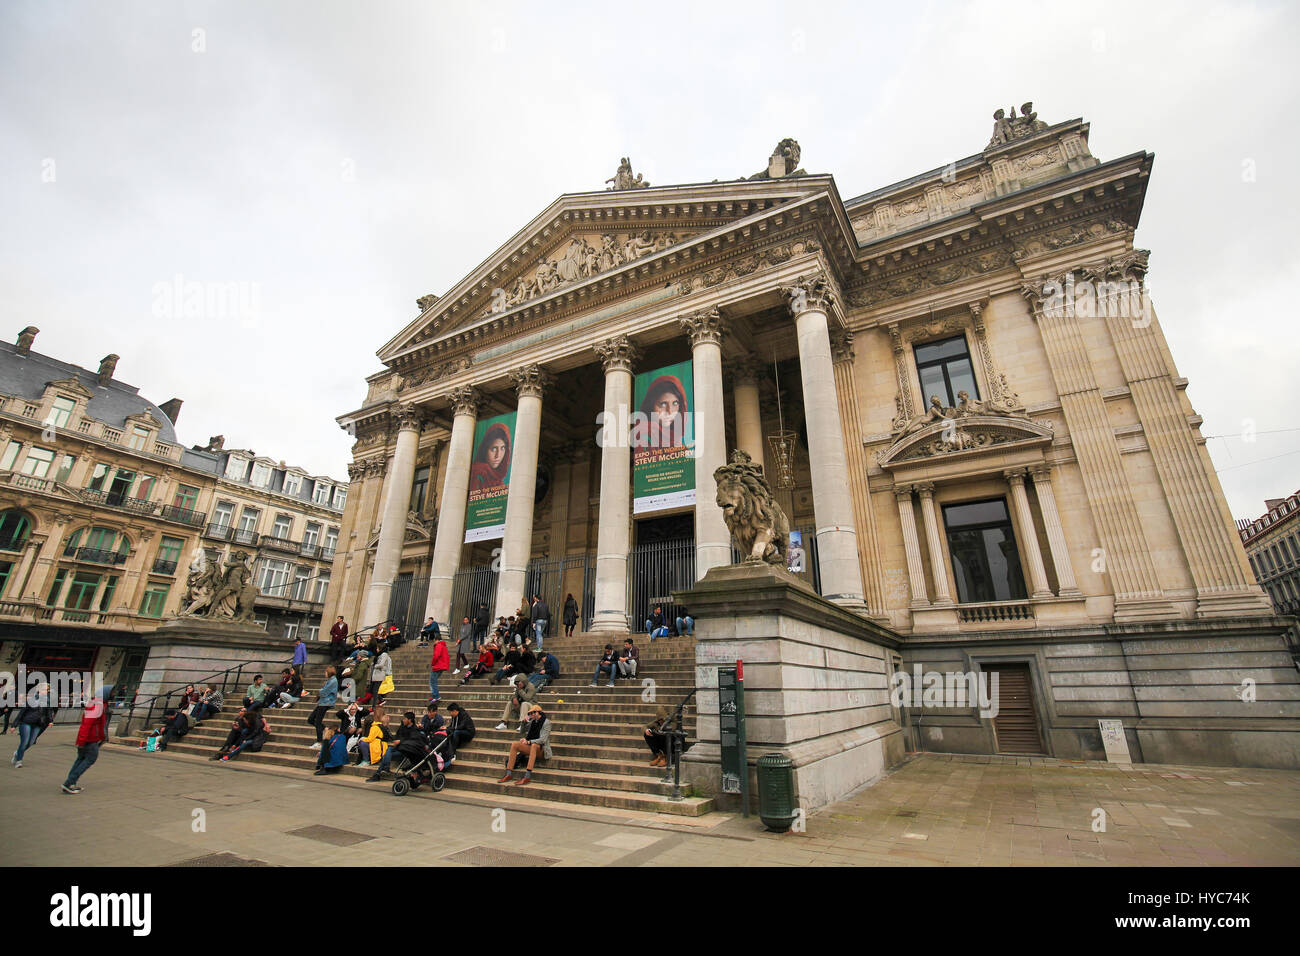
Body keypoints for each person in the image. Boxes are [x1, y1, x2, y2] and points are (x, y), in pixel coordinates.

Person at [62, 684, 114, 793]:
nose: (113, 694)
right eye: (111, 692)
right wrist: (82, 740)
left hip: (92, 738)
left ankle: (70, 782)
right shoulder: (97, 706)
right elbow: (86, 724)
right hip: (90, 739)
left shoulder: (101, 704)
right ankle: (69, 782)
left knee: (81, 759)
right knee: (90, 759)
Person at [632, 373, 689, 449]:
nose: (670, 411)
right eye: (663, 404)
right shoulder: (640, 436)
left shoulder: (679, 443)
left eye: (675, 403)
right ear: (651, 406)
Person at [498, 704, 552, 785]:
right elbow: (522, 731)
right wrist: (523, 722)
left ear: (538, 712)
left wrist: (529, 742)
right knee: (515, 744)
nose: (531, 715)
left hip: (542, 749)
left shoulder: (546, 722)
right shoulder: (533, 722)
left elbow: (543, 740)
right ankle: (508, 773)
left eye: (533, 713)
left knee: (534, 745)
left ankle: (527, 776)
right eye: (530, 713)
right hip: (532, 746)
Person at [367, 711, 425, 781]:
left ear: (409, 720)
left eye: (405, 719)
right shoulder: (402, 727)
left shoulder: (414, 729)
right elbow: (397, 736)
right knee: (388, 751)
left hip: (406, 751)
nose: (403, 720)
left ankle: (378, 773)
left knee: (388, 753)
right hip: (399, 748)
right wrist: (398, 741)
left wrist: (401, 741)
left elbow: (411, 740)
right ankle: (384, 769)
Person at [12, 683, 54, 768]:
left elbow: (49, 710)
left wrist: (50, 720)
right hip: (26, 722)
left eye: (47, 690)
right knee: (24, 742)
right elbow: (22, 712)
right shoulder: (31, 699)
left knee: (30, 743)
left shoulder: (47, 700)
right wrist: (14, 725)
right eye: (45, 690)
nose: (46, 691)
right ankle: (19, 761)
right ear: (39, 690)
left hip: (38, 724)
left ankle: (17, 753)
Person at [470, 422, 512, 491]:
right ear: (485, 450)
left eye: (502, 448)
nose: (498, 455)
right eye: (494, 449)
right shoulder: (476, 473)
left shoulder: (499, 482)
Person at [307, 666, 338, 749]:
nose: (325, 673)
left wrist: (320, 691)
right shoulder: (330, 680)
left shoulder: (333, 681)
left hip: (326, 703)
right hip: (322, 703)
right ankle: (325, 728)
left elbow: (324, 691)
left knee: (317, 722)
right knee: (311, 719)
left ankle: (319, 741)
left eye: (326, 672)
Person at [429, 634, 449, 703]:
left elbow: (436, 656)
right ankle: (435, 696)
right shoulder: (443, 646)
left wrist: (433, 664)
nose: (434, 642)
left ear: (436, 640)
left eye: (434, 641)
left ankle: (436, 696)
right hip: (442, 666)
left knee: (432, 681)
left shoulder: (439, 645)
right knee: (433, 681)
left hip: (438, 666)